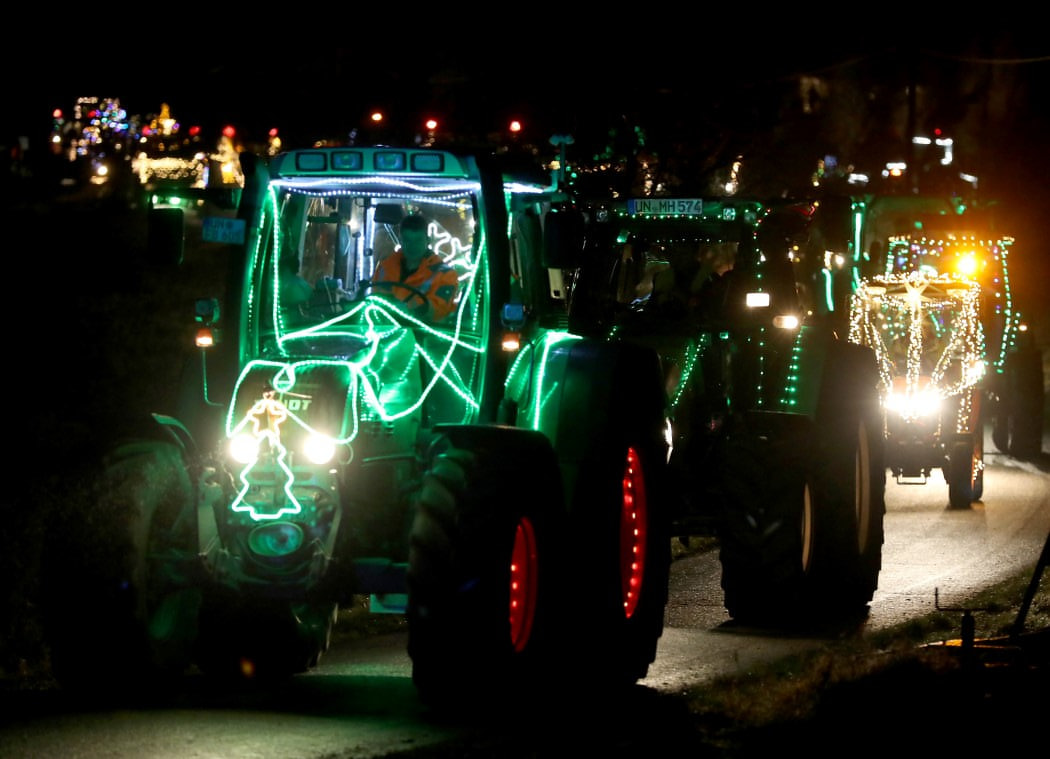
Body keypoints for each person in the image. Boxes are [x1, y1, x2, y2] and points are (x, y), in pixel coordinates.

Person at [373, 214, 459, 321]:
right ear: (401, 241)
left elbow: (439, 309)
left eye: (418, 240)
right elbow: (375, 299)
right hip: (383, 331)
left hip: (425, 335)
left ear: (428, 241)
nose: (412, 246)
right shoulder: (384, 268)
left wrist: (419, 310)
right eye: (407, 240)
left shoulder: (446, 275)